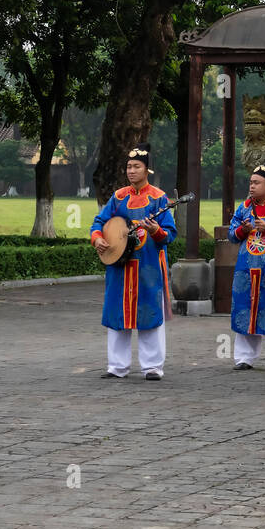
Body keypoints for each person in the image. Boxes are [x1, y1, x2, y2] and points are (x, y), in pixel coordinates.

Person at [89, 143, 177, 380]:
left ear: (147, 170)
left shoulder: (159, 198)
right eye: (129, 166)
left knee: (149, 314)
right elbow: (99, 222)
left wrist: (156, 230)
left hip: (148, 267)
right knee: (118, 314)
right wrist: (97, 238)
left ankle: (152, 367)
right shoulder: (119, 197)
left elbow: (170, 234)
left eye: (136, 166)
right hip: (120, 266)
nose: (131, 171)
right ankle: (117, 367)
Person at [228, 161, 265, 371]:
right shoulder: (244, 207)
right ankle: (244, 358)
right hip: (246, 267)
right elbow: (231, 235)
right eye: (250, 182)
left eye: (256, 183)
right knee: (245, 306)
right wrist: (244, 230)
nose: (251, 186)